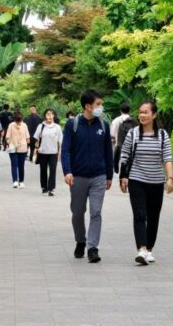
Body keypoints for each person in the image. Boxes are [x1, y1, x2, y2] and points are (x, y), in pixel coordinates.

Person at [118, 100, 173, 266]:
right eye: (140, 112)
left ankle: (149, 249)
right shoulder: (133, 133)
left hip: (156, 181)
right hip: (137, 179)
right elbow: (125, 155)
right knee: (140, 215)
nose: (142, 115)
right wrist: (123, 176)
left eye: (146, 112)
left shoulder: (163, 135)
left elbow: (168, 158)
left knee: (154, 216)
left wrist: (170, 178)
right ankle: (141, 249)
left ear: (154, 115)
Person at [61, 89, 113, 264]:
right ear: (88, 106)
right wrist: (67, 171)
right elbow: (66, 150)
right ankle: (80, 240)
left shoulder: (103, 125)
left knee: (96, 212)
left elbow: (108, 151)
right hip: (78, 177)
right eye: (98, 104)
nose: (101, 107)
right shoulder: (72, 125)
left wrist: (109, 175)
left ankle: (92, 247)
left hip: (98, 175)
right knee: (77, 213)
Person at [34, 109, 63, 196]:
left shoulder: (57, 127)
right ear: (45, 115)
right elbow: (36, 138)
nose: (50, 116)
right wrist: (36, 149)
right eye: (48, 114)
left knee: (53, 170)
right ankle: (44, 188)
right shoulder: (41, 126)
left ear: (54, 115)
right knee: (43, 170)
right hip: (42, 152)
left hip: (53, 152)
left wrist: (61, 153)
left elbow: (61, 140)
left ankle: (51, 188)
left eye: (52, 114)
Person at [4, 111, 31, 188]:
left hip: (22, 148)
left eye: (20, 121)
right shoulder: (11, 125)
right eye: (17, 121)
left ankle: (21, 181)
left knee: (21, 165)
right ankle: (15, 181)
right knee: (14, 165)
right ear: (14, 120)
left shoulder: (24, 125)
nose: (19, 123)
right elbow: (7, 137)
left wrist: (27, 143)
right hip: (13, 149)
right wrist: (10, 143)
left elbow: (28, 137)